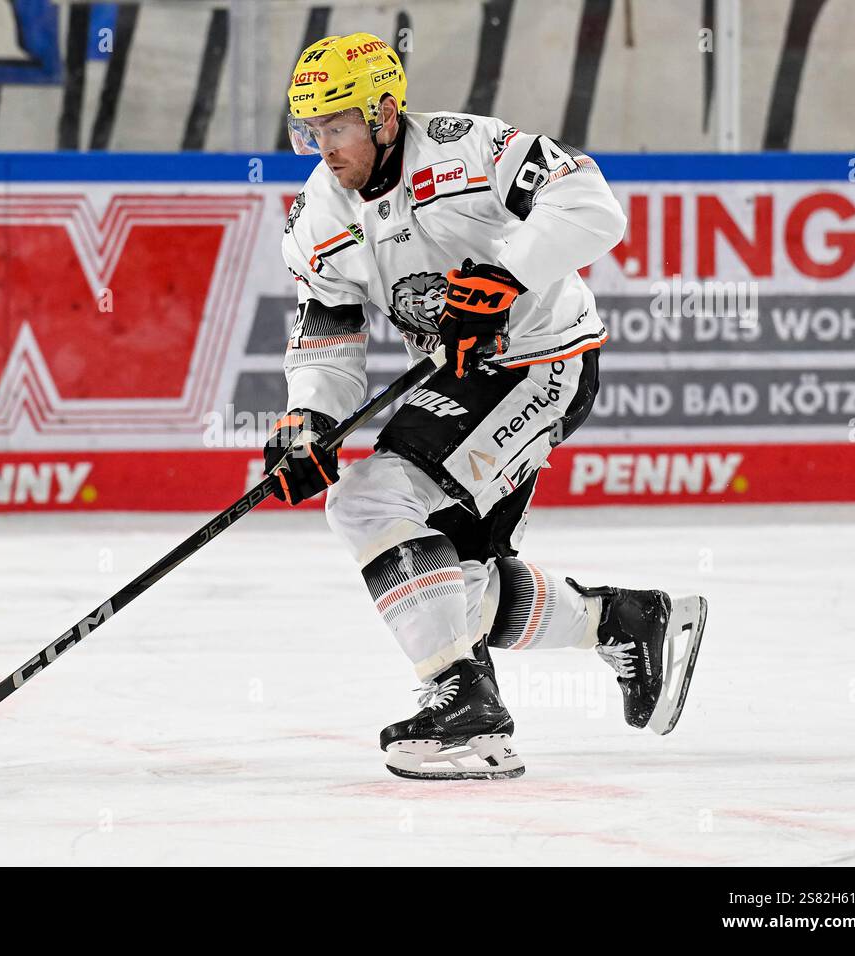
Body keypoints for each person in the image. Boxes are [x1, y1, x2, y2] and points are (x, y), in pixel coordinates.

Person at [268, 32, 708, 779]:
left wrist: (504, 276)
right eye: (309, 129)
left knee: (370, 504)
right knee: (451, 578)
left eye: (336, 125)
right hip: (461, 375)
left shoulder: (464, 150)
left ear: (382, 113)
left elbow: (594, 206)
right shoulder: (318, 212)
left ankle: (466, 706)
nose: (323, 146)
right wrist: (308, 418)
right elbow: (330, 330)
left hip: (545, 362)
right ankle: (623, 622)